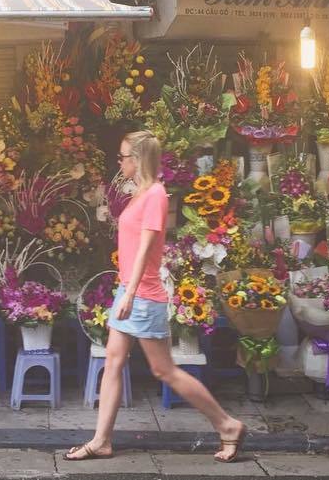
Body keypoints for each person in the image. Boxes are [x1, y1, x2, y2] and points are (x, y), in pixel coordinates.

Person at [65, 130, 247, 463]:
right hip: (130, 289)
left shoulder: (156, 195)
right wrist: (125, 291)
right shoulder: (140, 193)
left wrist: (130, 294)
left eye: (123, 157)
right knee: (113, 362)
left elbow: (146, 249)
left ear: (137, 159)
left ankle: (227, 424)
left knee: (164, 371)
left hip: (144, 295)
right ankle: (101, 440)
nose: (119, 163)